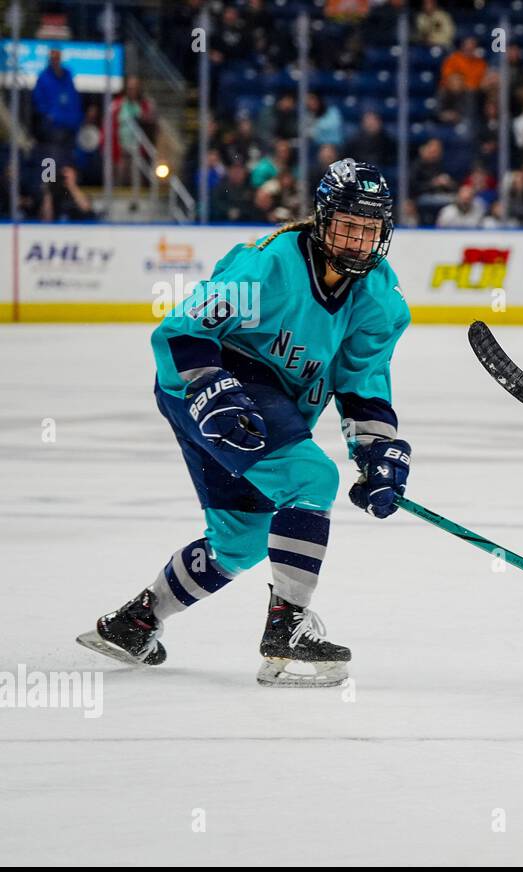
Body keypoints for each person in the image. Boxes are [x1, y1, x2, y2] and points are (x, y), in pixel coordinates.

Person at [76, 160, 413, 688]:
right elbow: (183, 330)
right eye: (348, 224)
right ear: (322, 220)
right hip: (211, 383)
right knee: (312, 480)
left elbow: (361, 382)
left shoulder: (379, 303)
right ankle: (287, 632)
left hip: (267, 403)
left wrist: (378, 453)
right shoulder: (271, 267)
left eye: (370, 229)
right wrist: (209, 385)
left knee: (243, 540)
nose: (358, 240)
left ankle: (136, 621)